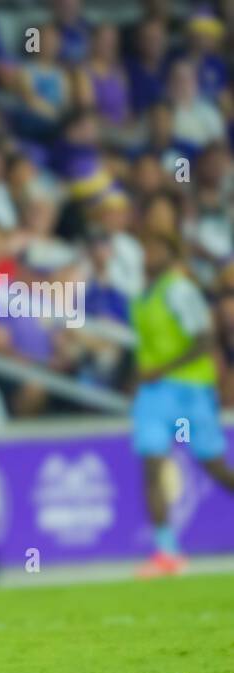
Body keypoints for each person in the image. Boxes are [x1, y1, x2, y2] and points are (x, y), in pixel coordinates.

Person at [130, 229, 234, 576]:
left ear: (171, 255)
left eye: (157, 247)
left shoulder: (179, 288)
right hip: (155, 394)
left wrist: (163, 368)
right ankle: (167, 551)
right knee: (152, 465)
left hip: (189, 390)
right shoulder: (143, 294)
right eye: (147, 246)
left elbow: (205, 339)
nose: (149, 253)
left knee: (215, 467)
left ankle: (167, 550)